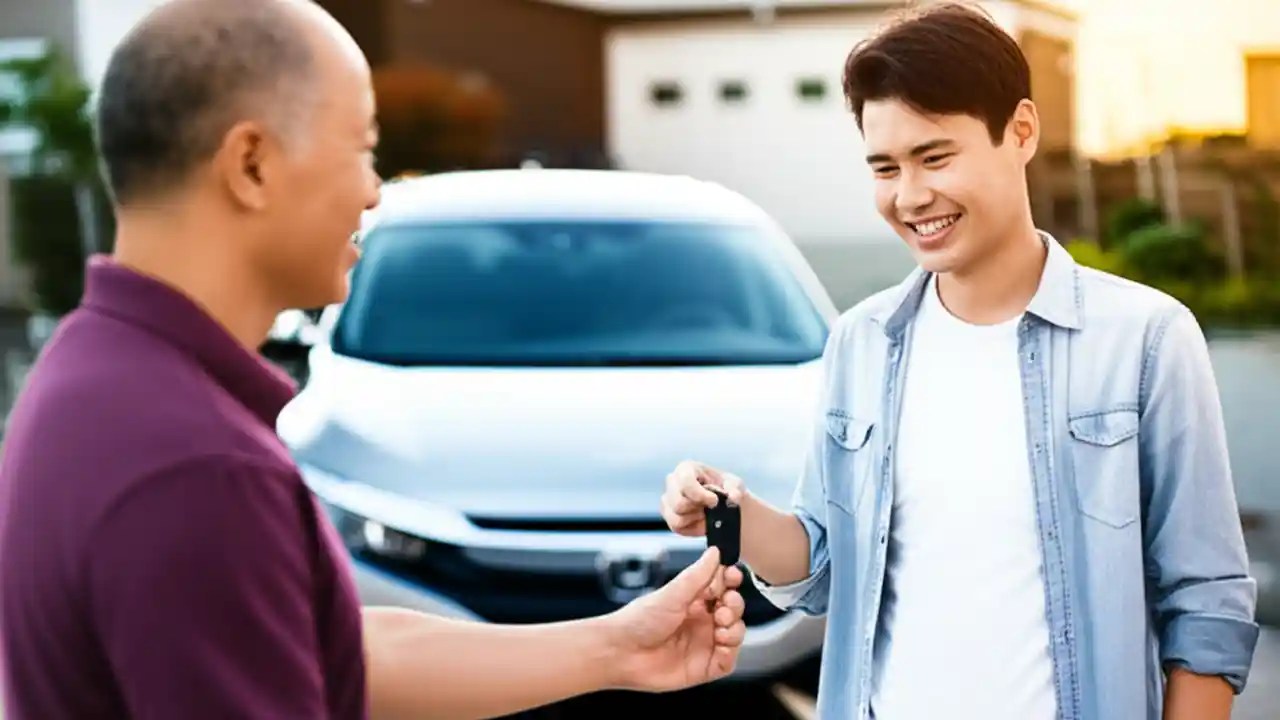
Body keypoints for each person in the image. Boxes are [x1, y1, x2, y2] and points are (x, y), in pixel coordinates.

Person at [0, 1, 747, 718]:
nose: (372, 192)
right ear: (252, 164)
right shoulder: (198, 468)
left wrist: (616, 646)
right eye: (361, 149)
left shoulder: (92, 373)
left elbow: (335, 652)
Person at [661, 4, 1258, 720]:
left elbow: (1207, 604)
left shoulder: (1146, 339)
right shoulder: (861, 342)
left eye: (935, 157)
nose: (911, 197)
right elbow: (821, 570)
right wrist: (732, 514)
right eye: (885, 168)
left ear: (1022, 132)